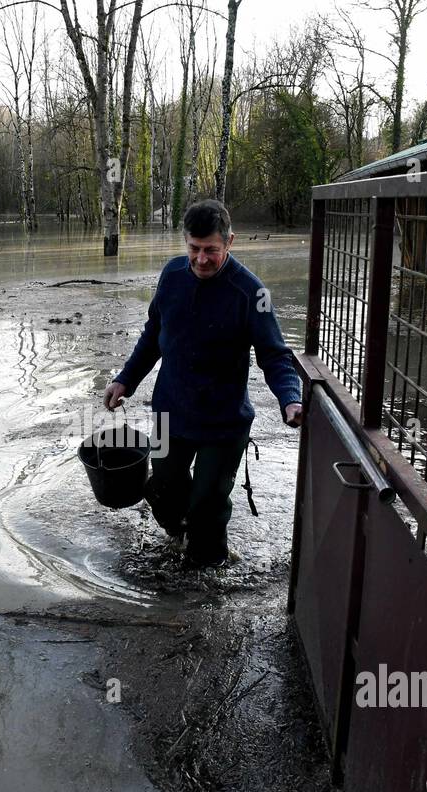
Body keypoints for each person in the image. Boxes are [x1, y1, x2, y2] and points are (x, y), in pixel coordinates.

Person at [104, 199, 303, 568]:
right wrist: (125, 380)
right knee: (163, 491)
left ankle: (206, 584)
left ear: (230, 242)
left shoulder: (252, 293)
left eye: (211, 250)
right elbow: (153, 335)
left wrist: (290, 399)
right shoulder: (171, 276)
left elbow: (275, 355)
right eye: (193, 249)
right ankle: (178, 538)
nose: (201, 259)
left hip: (223, 423)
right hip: (169, 413)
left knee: (207, 508)